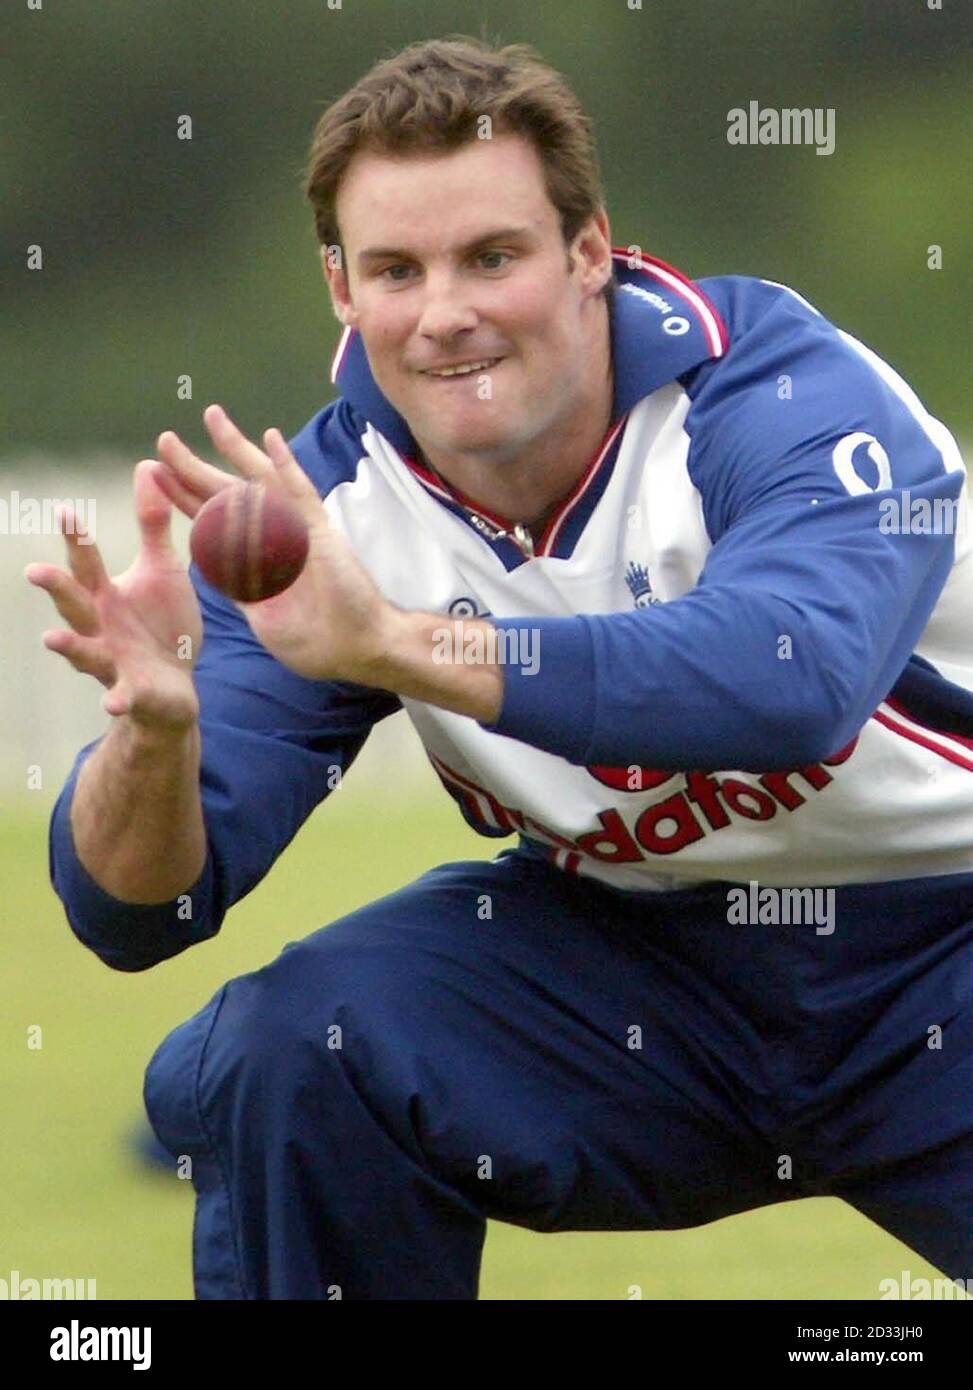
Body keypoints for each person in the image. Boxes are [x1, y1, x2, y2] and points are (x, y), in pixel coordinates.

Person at [29, 36, 973, 1300]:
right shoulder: (323, 515)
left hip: (940, 943)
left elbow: (791, 680)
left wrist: (408, 645)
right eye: (395, 270)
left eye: (492, 256)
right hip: (638, 969)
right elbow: (138, 914)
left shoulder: (783, 391)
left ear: (590, 254)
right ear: (340, 290)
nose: (445, 311)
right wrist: (152, 733)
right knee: (290, 1048)